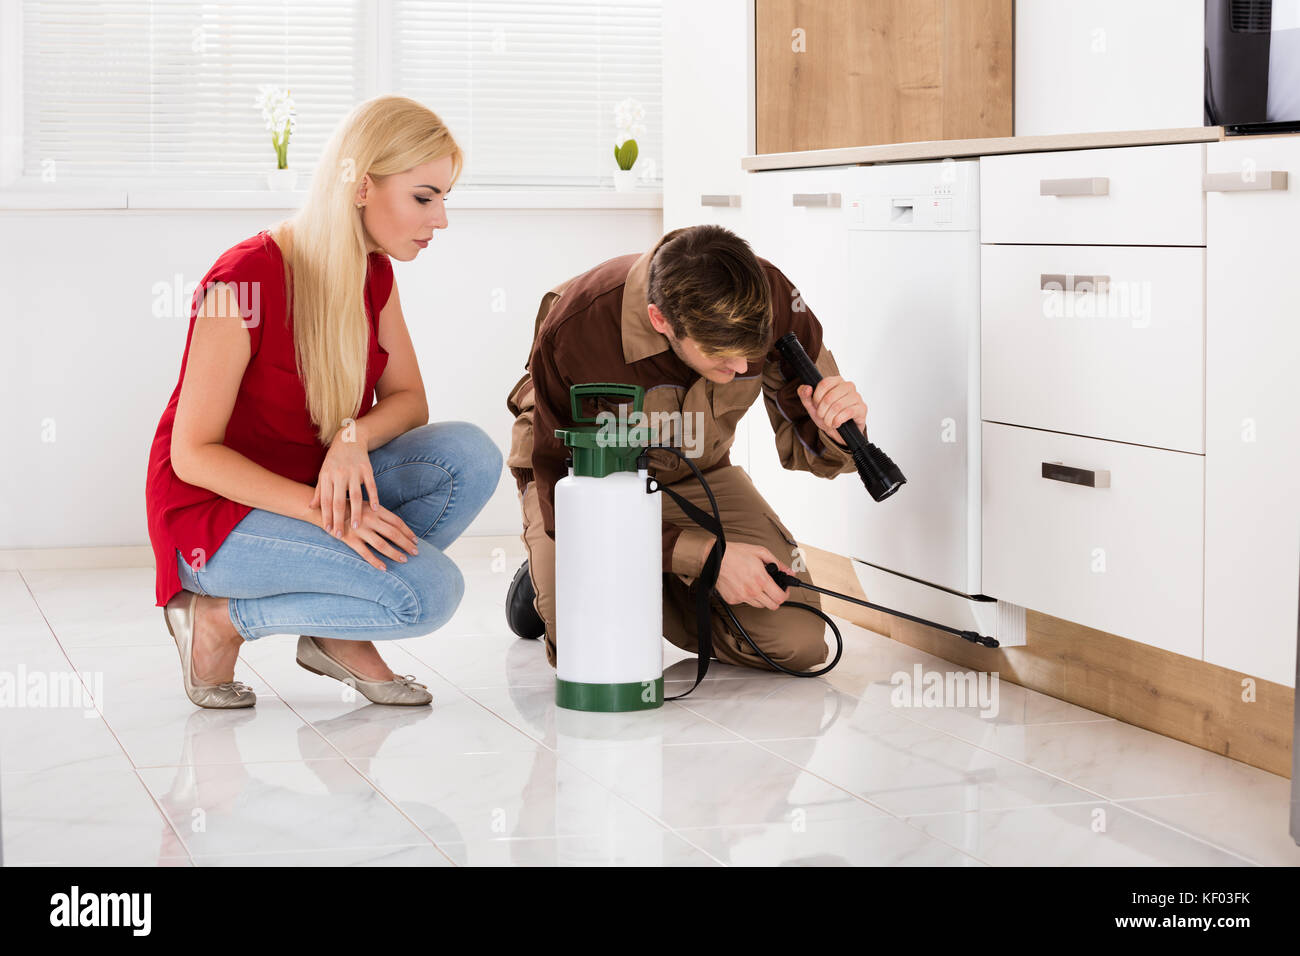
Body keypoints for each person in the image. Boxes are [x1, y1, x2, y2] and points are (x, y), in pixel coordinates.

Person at [145, 95, 501, 709]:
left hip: (314, 486)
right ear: (362, 187)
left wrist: (350, 438)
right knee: (429, 594)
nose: (440, 219)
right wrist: (325, 513)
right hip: (218, 516)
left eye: (445, 198)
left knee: (468, 453)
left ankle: (337, 628)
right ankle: (219, 618)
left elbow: (410, 400)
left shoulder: (374, 274)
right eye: (425, 196)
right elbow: (193, 456)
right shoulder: (244, 280)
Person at [504, 224, 867, 672]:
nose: (740, 369)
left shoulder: (771, 298)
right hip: (589, 484)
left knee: (798, 645)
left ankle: (653, 575)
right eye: (721, 357)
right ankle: (545, 583)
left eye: (748, 356)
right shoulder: (578, 325)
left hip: (697, 472)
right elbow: (564, 494)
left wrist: (838, 430)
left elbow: (811, 450)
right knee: (594, 656)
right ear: (661, 320)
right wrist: (705, 556)